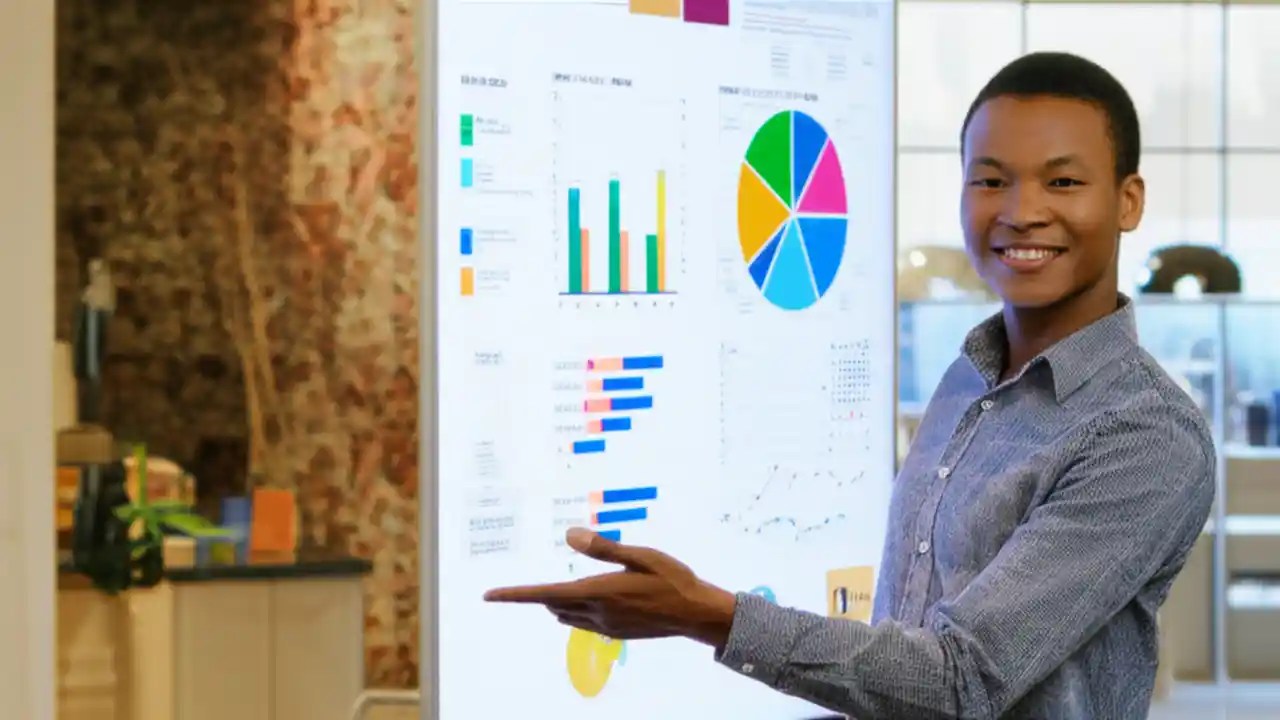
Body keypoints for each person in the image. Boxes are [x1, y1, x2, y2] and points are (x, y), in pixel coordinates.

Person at [485, 51, 1216, 719]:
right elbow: (904, 635)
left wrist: (703, 613)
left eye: (1063, 181)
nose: (1021, 212)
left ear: (1128, 202)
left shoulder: (1144, 435)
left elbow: (963, 680)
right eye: (991, 180)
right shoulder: (968, 376)